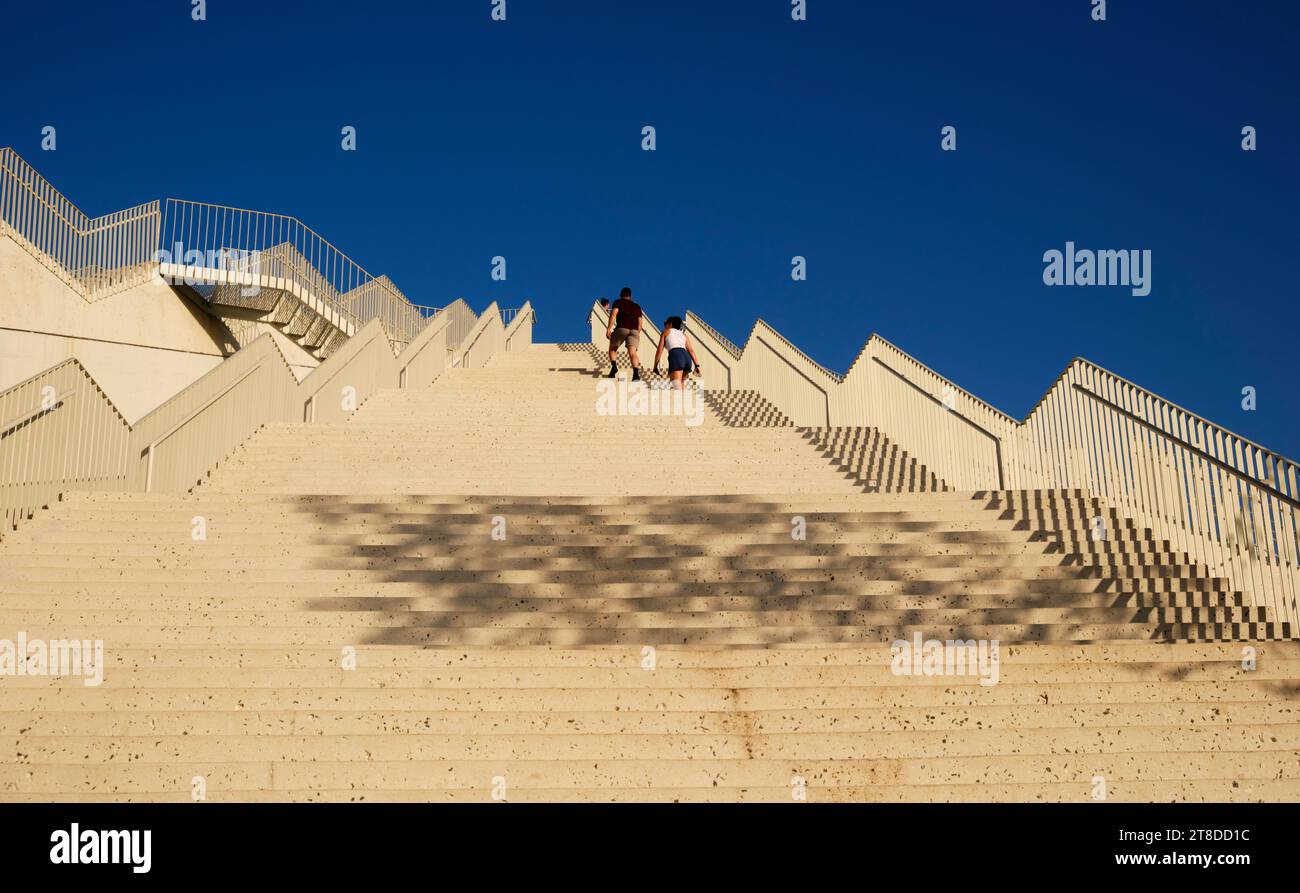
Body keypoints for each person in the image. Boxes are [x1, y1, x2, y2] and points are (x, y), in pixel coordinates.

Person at [653, 316, 702, 391]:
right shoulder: (684, 335)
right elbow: (691, 350)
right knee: (681, 383)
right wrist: (697, 365)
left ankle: (680, 402)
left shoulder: (666, 332)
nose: (665, 326)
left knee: (676, 385)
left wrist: (655, 366)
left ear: (670, 324)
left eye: (666, 324)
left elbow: (659, 350)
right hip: (687, 358)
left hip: (676, 355)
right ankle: (683, 401)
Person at [605, 287, 644, 380]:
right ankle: (635, 374)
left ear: (621, 295)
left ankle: (614, 367)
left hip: (622, 328)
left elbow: (614, 314)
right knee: (633, 353)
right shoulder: (637, 306)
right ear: (630, 296)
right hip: (634, 331)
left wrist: (609, 329)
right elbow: (640, 322)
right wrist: (637, 332)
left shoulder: (618, 302)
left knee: (613, 349)